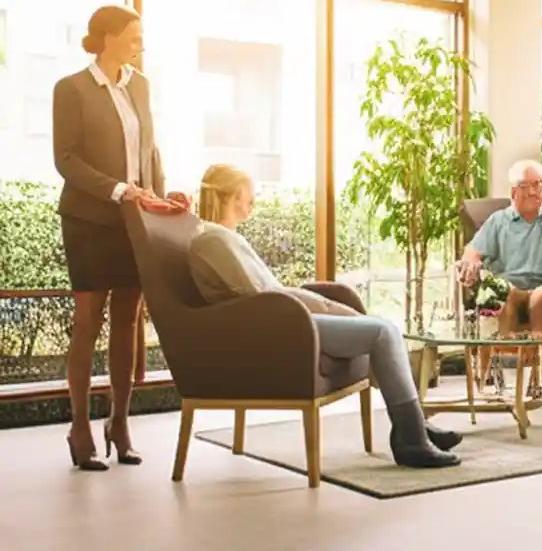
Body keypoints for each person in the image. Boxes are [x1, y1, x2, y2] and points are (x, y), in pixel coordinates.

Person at [187, 164, 461, 469]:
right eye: (249, 192)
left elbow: (265, 292)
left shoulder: (225, 237)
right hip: (278, 327)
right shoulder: (213, 240)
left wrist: (324, 305)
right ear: (235, 195)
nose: (254, 198)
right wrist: (320, 306)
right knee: (382, 333)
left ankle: (415, 427)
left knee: (385, 328)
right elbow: (258, 298)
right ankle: (412, 439)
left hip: (282, 319)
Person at [53, 4, 185, 471]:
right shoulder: (71, 89)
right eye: (133, 37)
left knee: (130, 318)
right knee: (89, 319)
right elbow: (65, 159)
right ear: (107, 38)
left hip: (135, 219)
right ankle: (80, 426)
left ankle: (121, 423)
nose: (140, 45)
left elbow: (150, 148)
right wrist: (116, 189)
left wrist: (162, 199)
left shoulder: (140, 85)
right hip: (89, 219)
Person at [457, 160, 542, 389]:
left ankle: (538, 378)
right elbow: (473, 250)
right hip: (508, 288)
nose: (533, 191)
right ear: (513, 191)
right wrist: (470, 260)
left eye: (539, 184)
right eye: (526, 185)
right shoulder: (499, 221)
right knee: (500, 296)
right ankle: (485, 376)